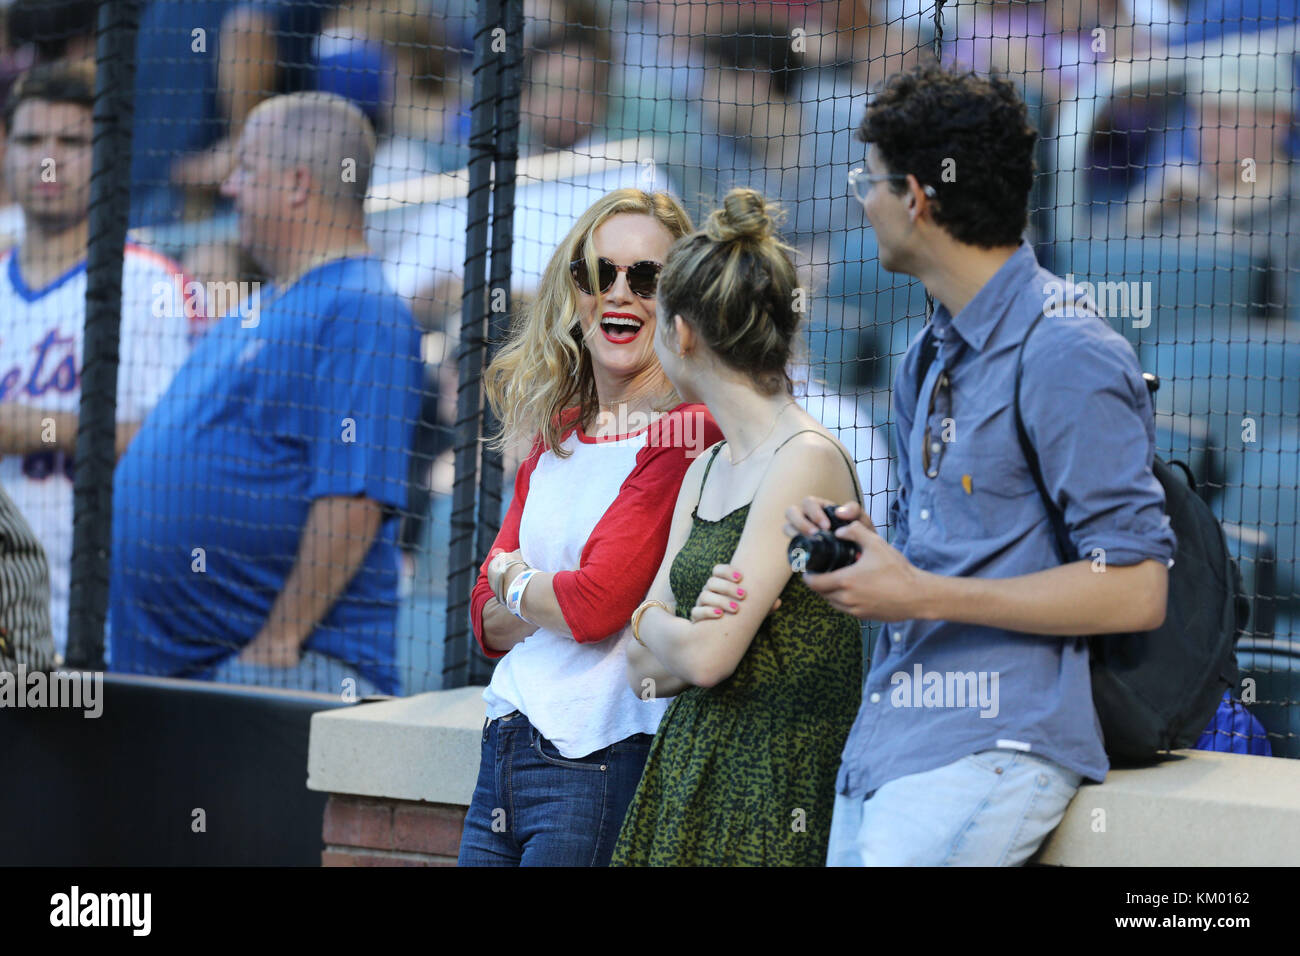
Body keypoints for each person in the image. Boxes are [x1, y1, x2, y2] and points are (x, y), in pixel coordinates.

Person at [771, 63, 1175, 866]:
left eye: (872, 181)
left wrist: (919, 591)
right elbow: (946, 550)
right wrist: (860, 554)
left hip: (995, 745)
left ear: (918, 198)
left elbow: (1136, 586)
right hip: (891, 742)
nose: (864, 199)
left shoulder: (1067, 348)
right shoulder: (924, 352)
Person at [108, 92, 422, 697]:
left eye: (246, 170)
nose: (230, 188)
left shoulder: (361, 306)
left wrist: (275, 644)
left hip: (278, 673)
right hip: (187, 677)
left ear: (297, 184)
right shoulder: (262, 303)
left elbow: (354, 498)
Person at [458, 187, 721, 867]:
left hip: (600, 759)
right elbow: (482, 620)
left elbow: (597, 604)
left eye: (646, 276)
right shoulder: (558, 437)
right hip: (505, 748)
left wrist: (516, 582)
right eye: (596, 273)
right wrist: (534, 593)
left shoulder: (688, 432)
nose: (618, 293)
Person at [610, 188, 863, 867]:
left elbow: (705, 659)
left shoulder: (805, 458)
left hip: (773, 792)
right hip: (691, 773)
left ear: (683, 333)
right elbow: (646, 674)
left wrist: (653, 620)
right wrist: (664, 630)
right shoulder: (709, 463)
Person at [0, 61, 195, 657]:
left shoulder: (150, 283)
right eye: (31, 140)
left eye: (72, 142)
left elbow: (172, 447)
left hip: (103, 618)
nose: (48, 160)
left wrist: (32, 428)